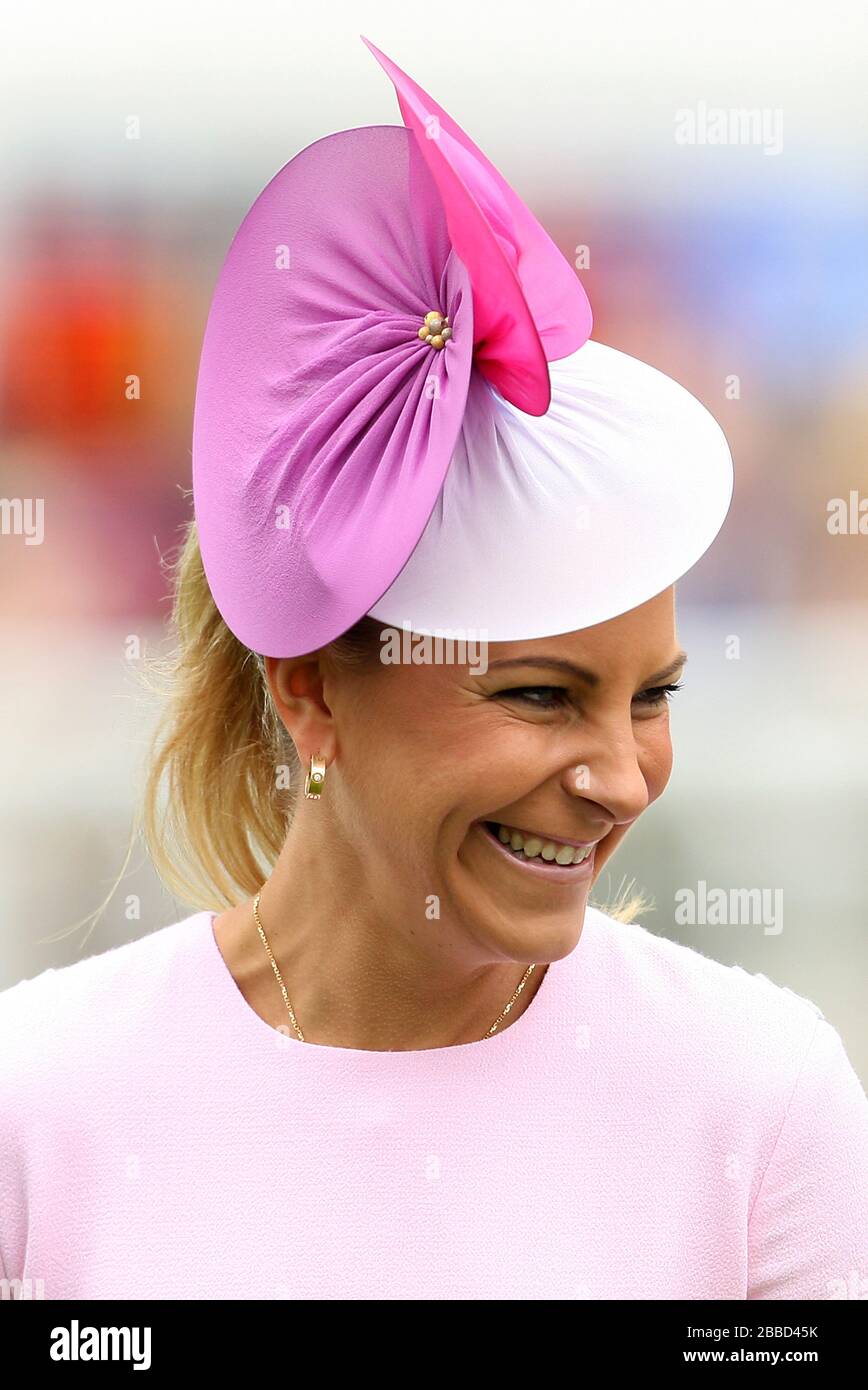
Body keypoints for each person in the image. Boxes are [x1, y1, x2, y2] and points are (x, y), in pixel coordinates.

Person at [1, 38, 866, 1302]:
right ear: (306, 687)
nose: (622, 778)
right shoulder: (40, 1106)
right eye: (538, 695)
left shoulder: (759, 1101)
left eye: (653, 696)